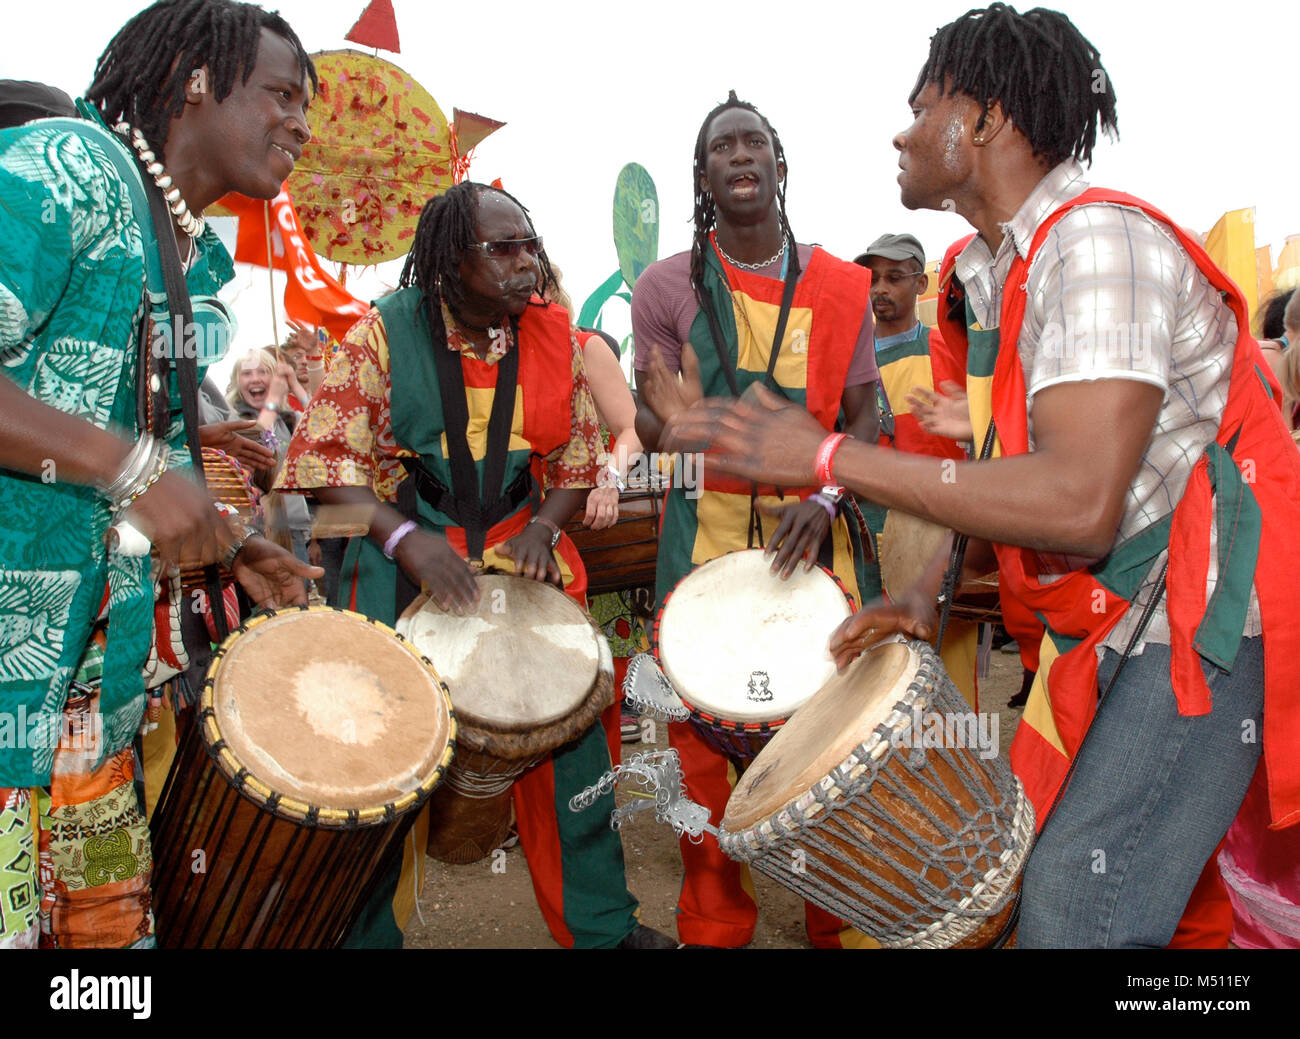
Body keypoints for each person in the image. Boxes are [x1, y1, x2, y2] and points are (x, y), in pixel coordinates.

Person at [657, 3, 1300, 949]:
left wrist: (827, 456)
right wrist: (925, 589)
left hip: (1195, 631)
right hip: (1121, 624)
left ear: (985, 119)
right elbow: (1000, 462)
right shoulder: (998, 269)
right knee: (1075, 888)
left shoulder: (1095, 247)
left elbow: (1078, 504)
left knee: (1077, 914)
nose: (899, 130)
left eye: (921, 106)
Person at [277, 180, 675, 950]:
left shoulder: (555, 336)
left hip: (522, 554)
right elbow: (325, 460)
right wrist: (404, 539)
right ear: (447, 262)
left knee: (573, 754)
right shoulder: (382, 333)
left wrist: (548, 528)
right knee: (380, 754)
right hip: (406, 551)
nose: (526, 263)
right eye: (504, 248)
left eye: (530, 245)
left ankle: (601, 926)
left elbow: (575, 461)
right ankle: (366, 936)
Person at [0, 0, 320, 949]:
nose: (301, 124)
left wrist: (239, 542)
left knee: (101, 940)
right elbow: (127, 459)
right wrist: (128, 464)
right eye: (281, 95)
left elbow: (153, 455)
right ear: (192, 77)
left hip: (87, 695)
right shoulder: (70, 169)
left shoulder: (188, 256)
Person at [634, 91, 879, 949]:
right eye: (721, 149)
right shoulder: (663, 284)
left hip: (814, 550)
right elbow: (654, 426)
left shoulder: (842, 283)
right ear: (702, 177)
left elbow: (866, 417)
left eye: (755, 143)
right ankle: (712, 925)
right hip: (699, 556)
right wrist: (676, 424)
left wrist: (823, 496)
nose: (740, 156)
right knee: (701, 764)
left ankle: (840, 926)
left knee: (828, 753)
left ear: (779, 163)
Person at [852, 233, 982, 708]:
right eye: (872, 278)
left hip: (935, 537)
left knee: (947, 670)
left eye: (893, 277)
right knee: (877, 675)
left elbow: (980, 434)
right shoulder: (851, 357)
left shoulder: (946, 347)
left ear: (920, 282)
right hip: (869, 533)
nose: (879, 288)